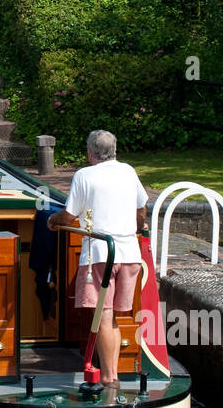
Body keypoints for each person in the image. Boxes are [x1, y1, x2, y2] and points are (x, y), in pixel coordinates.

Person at [47, 129, 149, 387]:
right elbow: (141, 208)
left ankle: (107, 378)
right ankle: (112, 375)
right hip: (129, 254)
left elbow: (69, 216)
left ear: (90, 152)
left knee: (103, 318)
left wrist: (51, 221)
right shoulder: (128, 171)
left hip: (101, 255)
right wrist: (136, 228)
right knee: (113, 318)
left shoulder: (84, 175)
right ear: (114, 151)